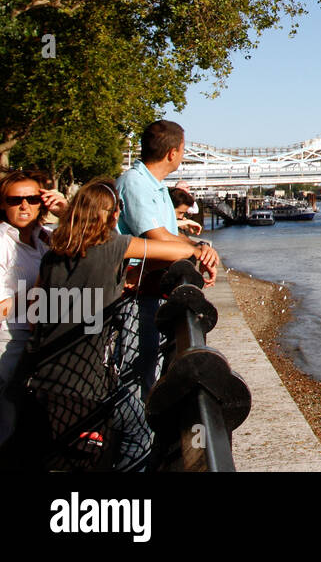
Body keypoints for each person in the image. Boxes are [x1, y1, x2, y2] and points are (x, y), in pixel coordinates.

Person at [22, 178, 219, 470]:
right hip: (84, 385)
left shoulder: (52, 256)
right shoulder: (113, 246)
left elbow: (32, 316)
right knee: (120, 439)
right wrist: (201, 248)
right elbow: (173, 251)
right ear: (114, 215)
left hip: (40, 380)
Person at [116, 121, 218, 395]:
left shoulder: (157, 187)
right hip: (135, 294)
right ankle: (135, 436)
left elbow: (169, 235)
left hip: (154, 292)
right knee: (136, 376)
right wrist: (196, 251)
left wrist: (199, 246)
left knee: (155, 369)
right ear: (172, 153)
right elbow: (156, 238)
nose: (184, 155)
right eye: (184, 149)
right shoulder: (135, 184)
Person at [0, 169, 66, 446]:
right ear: (2, 204)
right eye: (15, 200)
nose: (24, 205)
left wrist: (66, 211)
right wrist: (43, 292)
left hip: (39, 342)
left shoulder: (47, 239)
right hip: (7, 344)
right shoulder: (2, 242)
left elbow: (102, 242)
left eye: (32, 198)